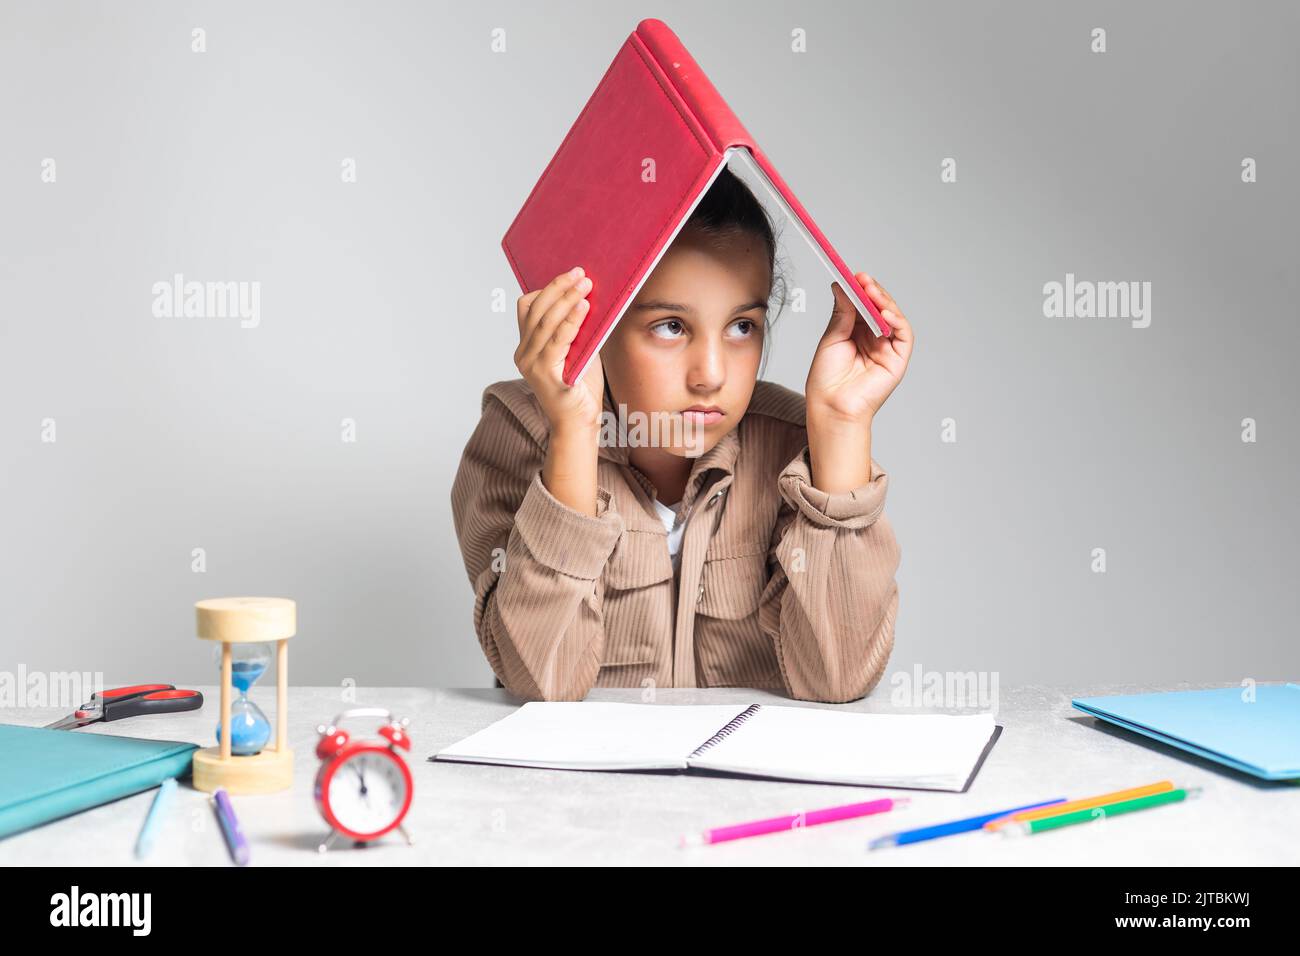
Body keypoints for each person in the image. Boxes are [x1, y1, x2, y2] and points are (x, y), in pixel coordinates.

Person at [451, 168, 913, 702]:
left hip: (747, 782)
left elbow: (839, 677)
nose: (711, 374)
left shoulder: (793, 443)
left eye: (742, 326)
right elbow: (541, 680)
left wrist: (841, 426)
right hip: (588, 785)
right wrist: (574, 433)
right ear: (593, 327)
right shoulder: (520, 432)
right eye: (671, 325)